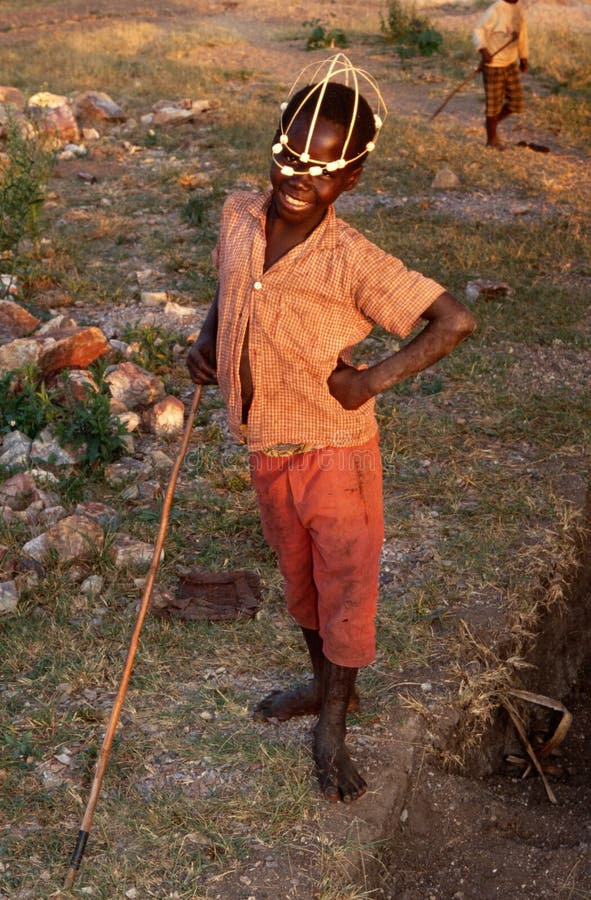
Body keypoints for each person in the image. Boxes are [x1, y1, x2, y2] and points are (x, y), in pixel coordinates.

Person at [187, 54, 476, 804]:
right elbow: (230, 283)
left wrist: (368, 381)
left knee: (344, 587)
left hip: (335, 455)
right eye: (289, 154)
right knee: (301, 582)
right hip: (266, 447)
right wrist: (209, 341)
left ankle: (334, 723)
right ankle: (321, 685)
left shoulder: (353, 261)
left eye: (322, 168)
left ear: (351, 178)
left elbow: (452, 320)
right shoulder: (238, 216)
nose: (298, 175)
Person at [473, 0, 529, 149]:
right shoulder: (496, 9)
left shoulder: (519, 8)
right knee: (494, 104)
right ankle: (491, 140)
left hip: (510, 63)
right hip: (494, 65)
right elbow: (479, 30)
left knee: (517, 102)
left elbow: (522, 34)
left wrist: (523, 57)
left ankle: (491, 122)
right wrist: (483, 50)